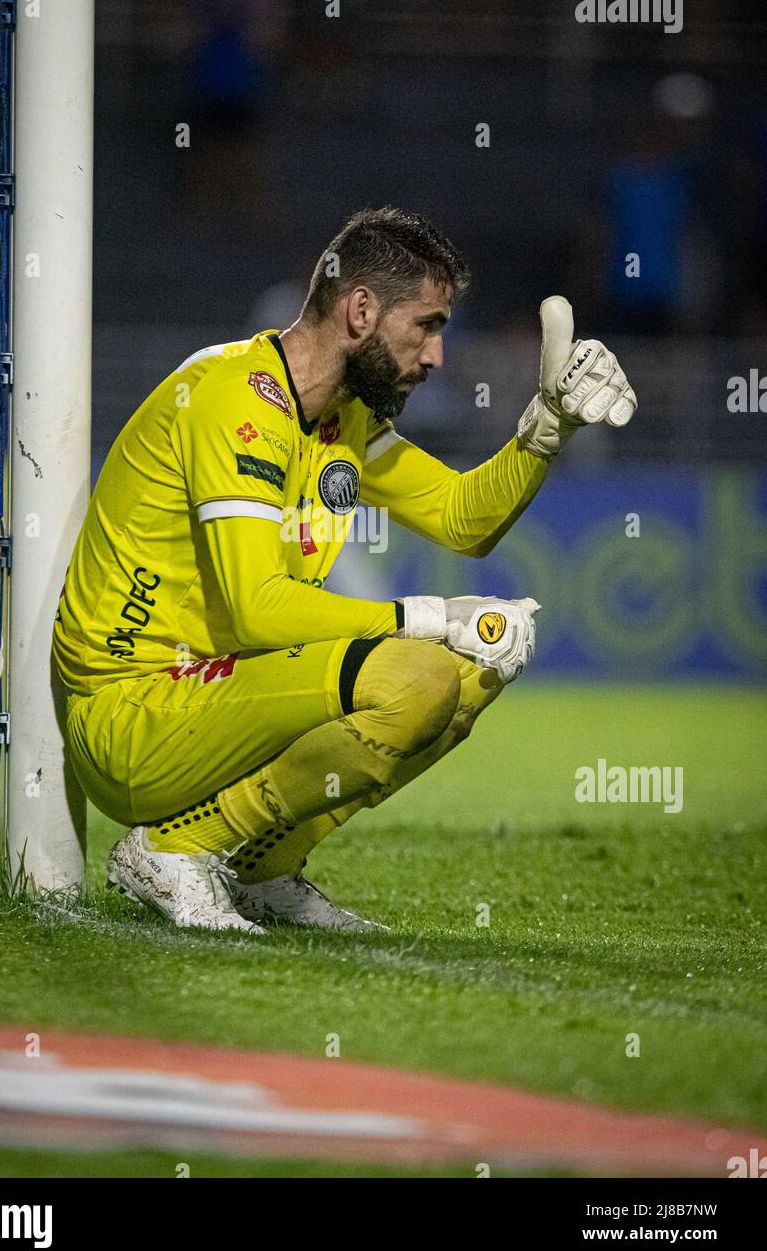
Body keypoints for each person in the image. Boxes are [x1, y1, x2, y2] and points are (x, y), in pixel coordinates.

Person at [52, 208, 636, 933]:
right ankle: (174, 848)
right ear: (361, 310)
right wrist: (426, 618)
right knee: (415, 676)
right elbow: (257, 609)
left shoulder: (343, 416)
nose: (437, 355)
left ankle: (260, 868)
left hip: (224, 698)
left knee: (476, 667)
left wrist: (546, 427)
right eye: (426, 325)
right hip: (133, 717)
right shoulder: (235, 400)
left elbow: (464, 518)